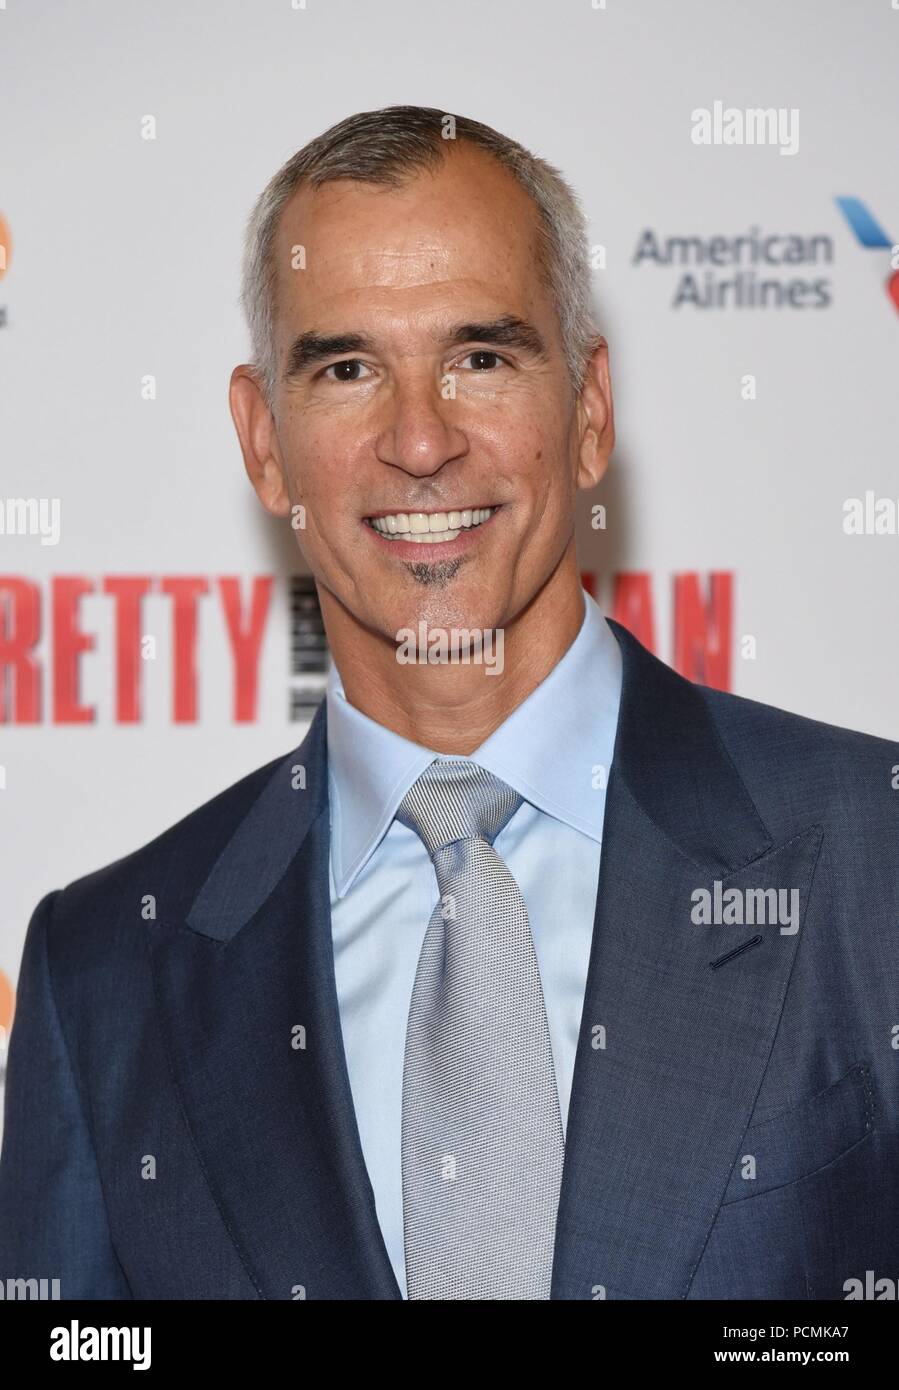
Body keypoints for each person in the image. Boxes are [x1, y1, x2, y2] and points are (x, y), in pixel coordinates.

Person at [1, 106, 897, 1301]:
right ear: (264, 444)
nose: (419, 440)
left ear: (587, 414)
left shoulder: (869, 854)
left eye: (481, 357)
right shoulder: (105, 971)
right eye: (347, 368)